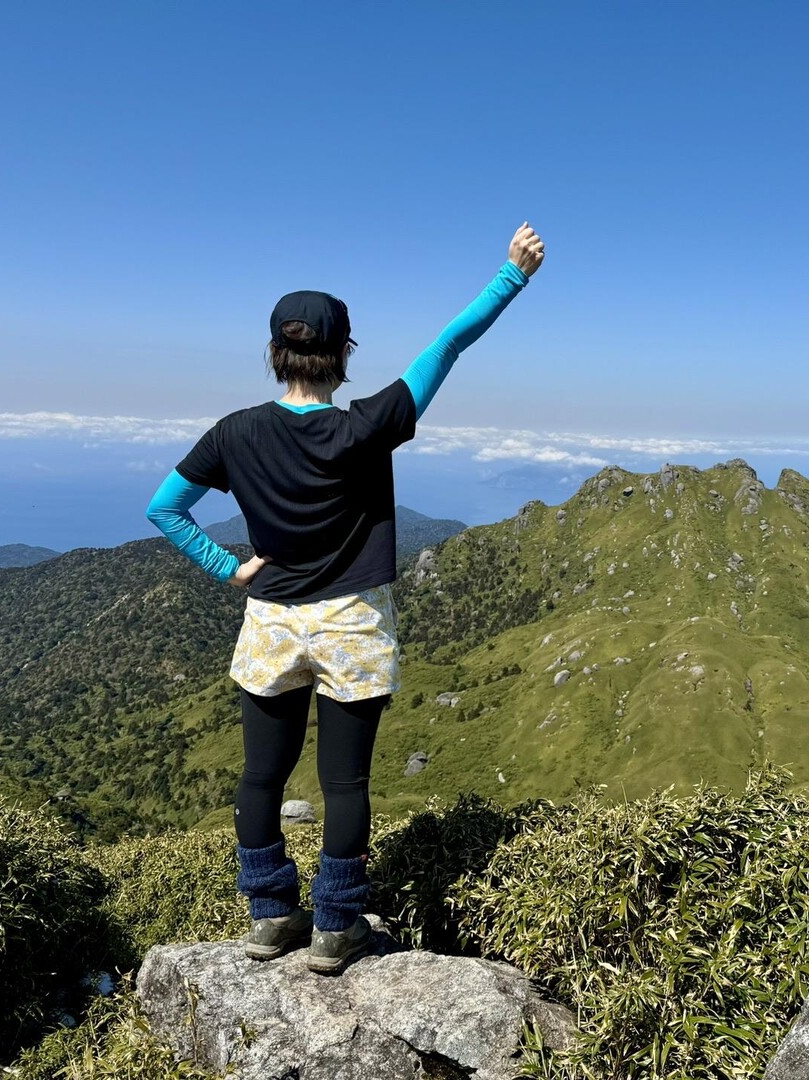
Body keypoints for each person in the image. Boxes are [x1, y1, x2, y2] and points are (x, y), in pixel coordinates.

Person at [146, 223, 545, 975]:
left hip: (270, 619)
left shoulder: (234, 433)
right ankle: (334, 925)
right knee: (345, 783)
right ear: (344, 354)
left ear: (275, 353)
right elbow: (448, 346)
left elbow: (165, 508)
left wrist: (226, 567)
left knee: (261, 775)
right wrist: (510, 276)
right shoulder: (370, 424)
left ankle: (269, 914)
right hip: (354, 621)